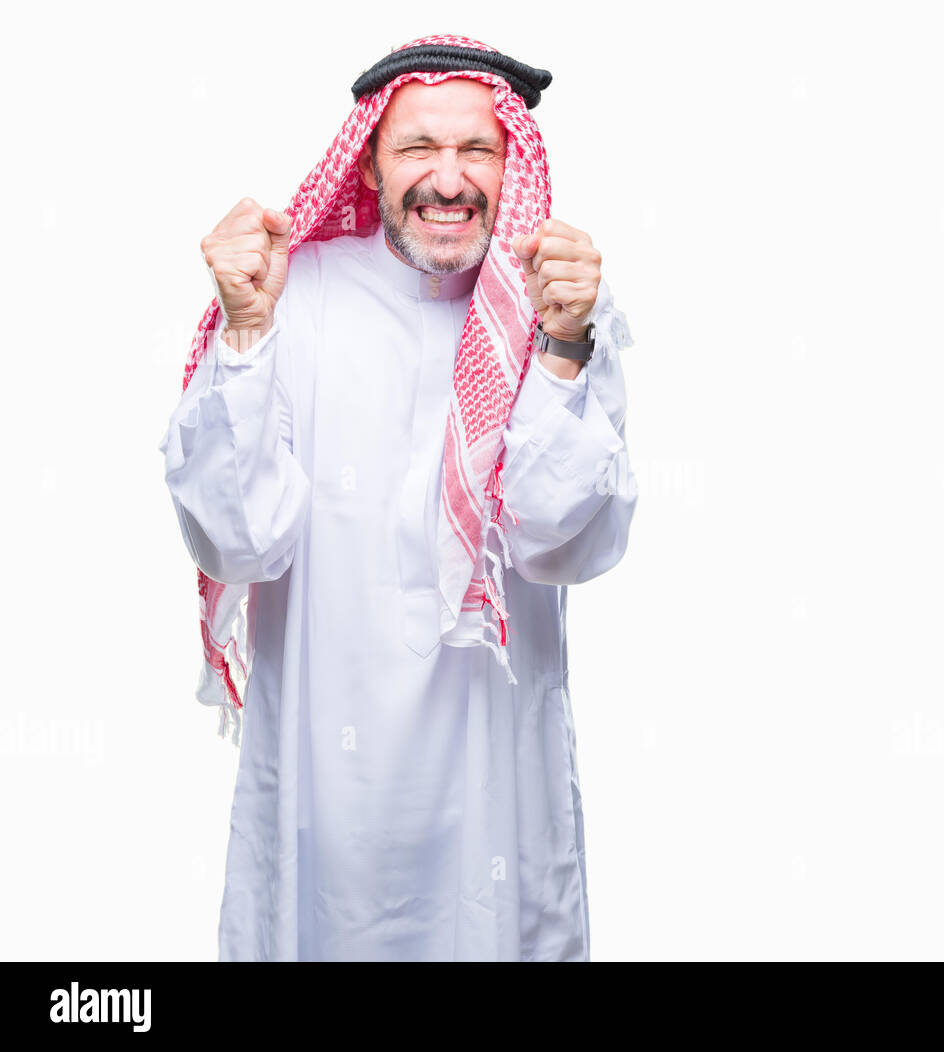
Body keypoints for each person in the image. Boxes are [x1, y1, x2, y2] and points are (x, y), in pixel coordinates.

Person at [157, 34, 637, 962]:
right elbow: (234, 542)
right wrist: (247, 334)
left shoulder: (559, 312)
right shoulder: (289, 303)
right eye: (418, 148)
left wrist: (567, 347)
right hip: (321, 807)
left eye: (477, 151)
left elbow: (556, 544)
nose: (447, 179)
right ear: (371, 162)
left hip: (494, 793)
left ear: (512, 166)